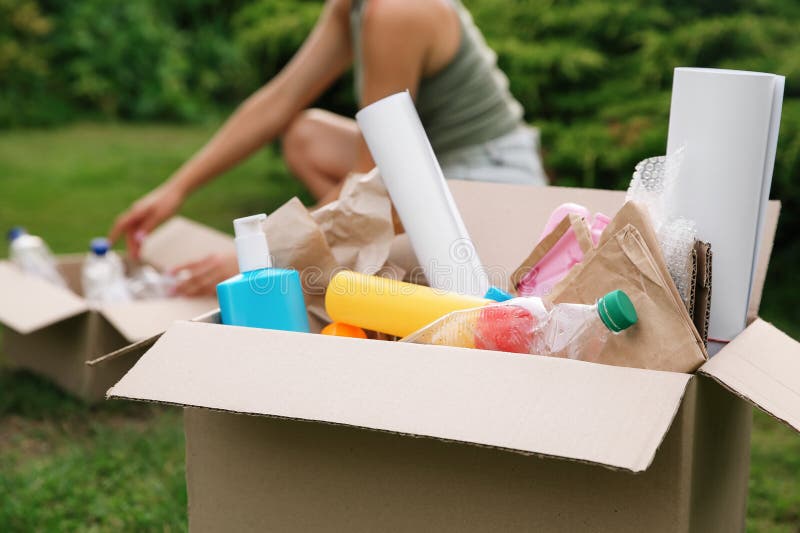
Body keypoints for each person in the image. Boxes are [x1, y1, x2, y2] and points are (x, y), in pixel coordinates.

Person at [109, 0, 547, 296]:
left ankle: (359, 266)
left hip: (491, 173)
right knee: (305, 137)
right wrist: (176, 188)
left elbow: (370, 182)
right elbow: (280, 99)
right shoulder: (352, 5)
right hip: (428, 160)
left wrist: (257, 255)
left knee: (371, 214)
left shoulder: (396, 13)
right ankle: (355, 260)